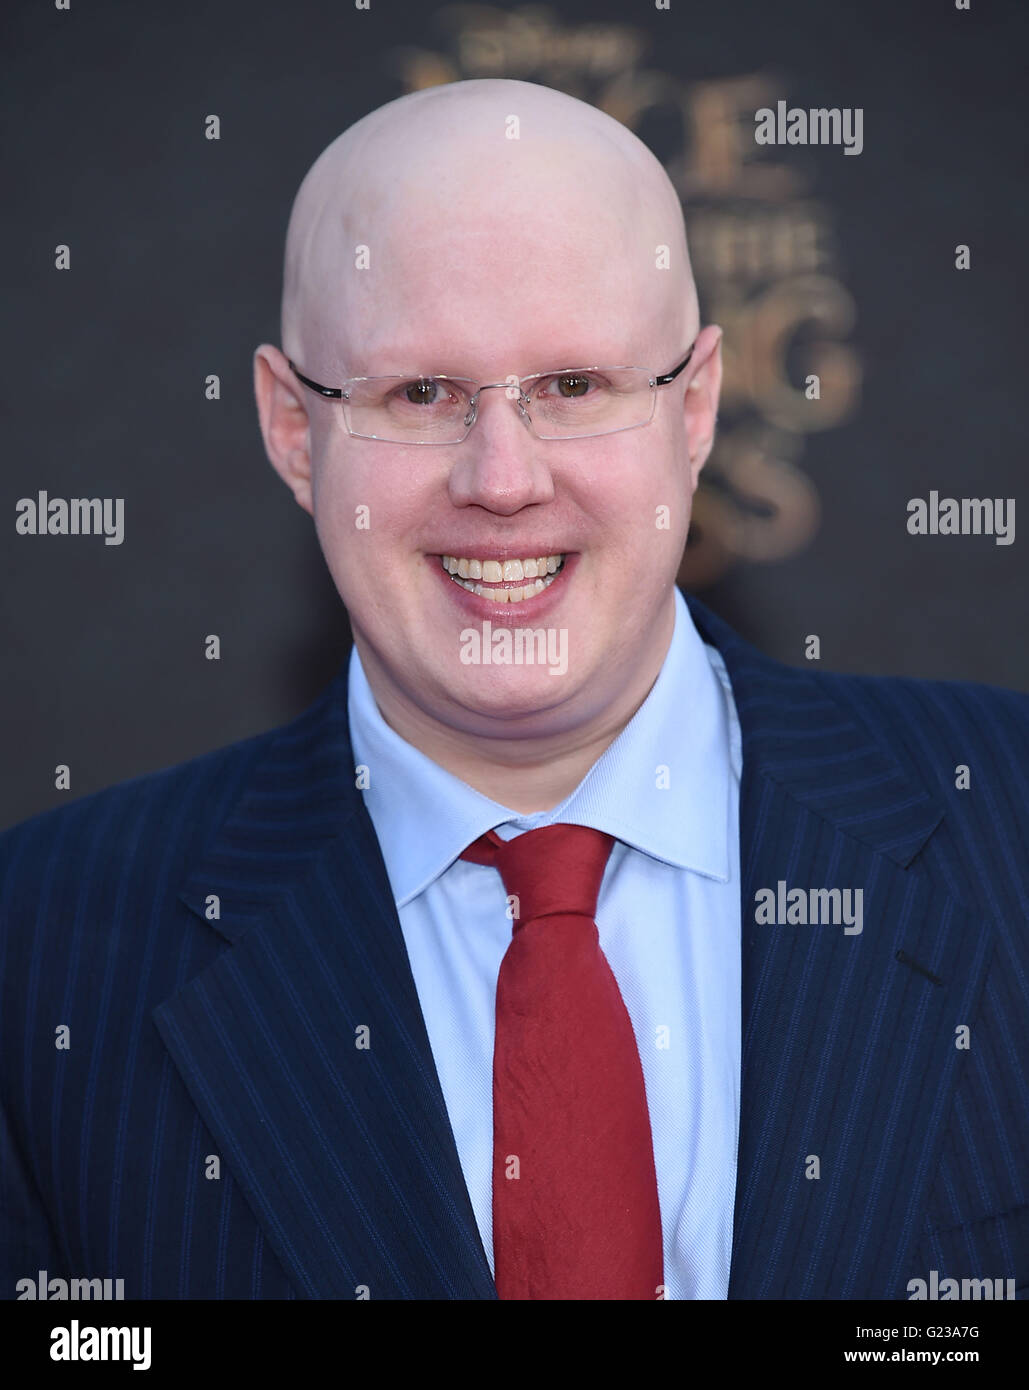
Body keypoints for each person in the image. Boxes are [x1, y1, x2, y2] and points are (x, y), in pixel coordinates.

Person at [2, 78, 1027, 1302]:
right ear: (290, 428)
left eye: (575, 387)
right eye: (420, 394)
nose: (502, 478)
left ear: (694, 408)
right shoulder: (37, 949)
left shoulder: (1007, 825)